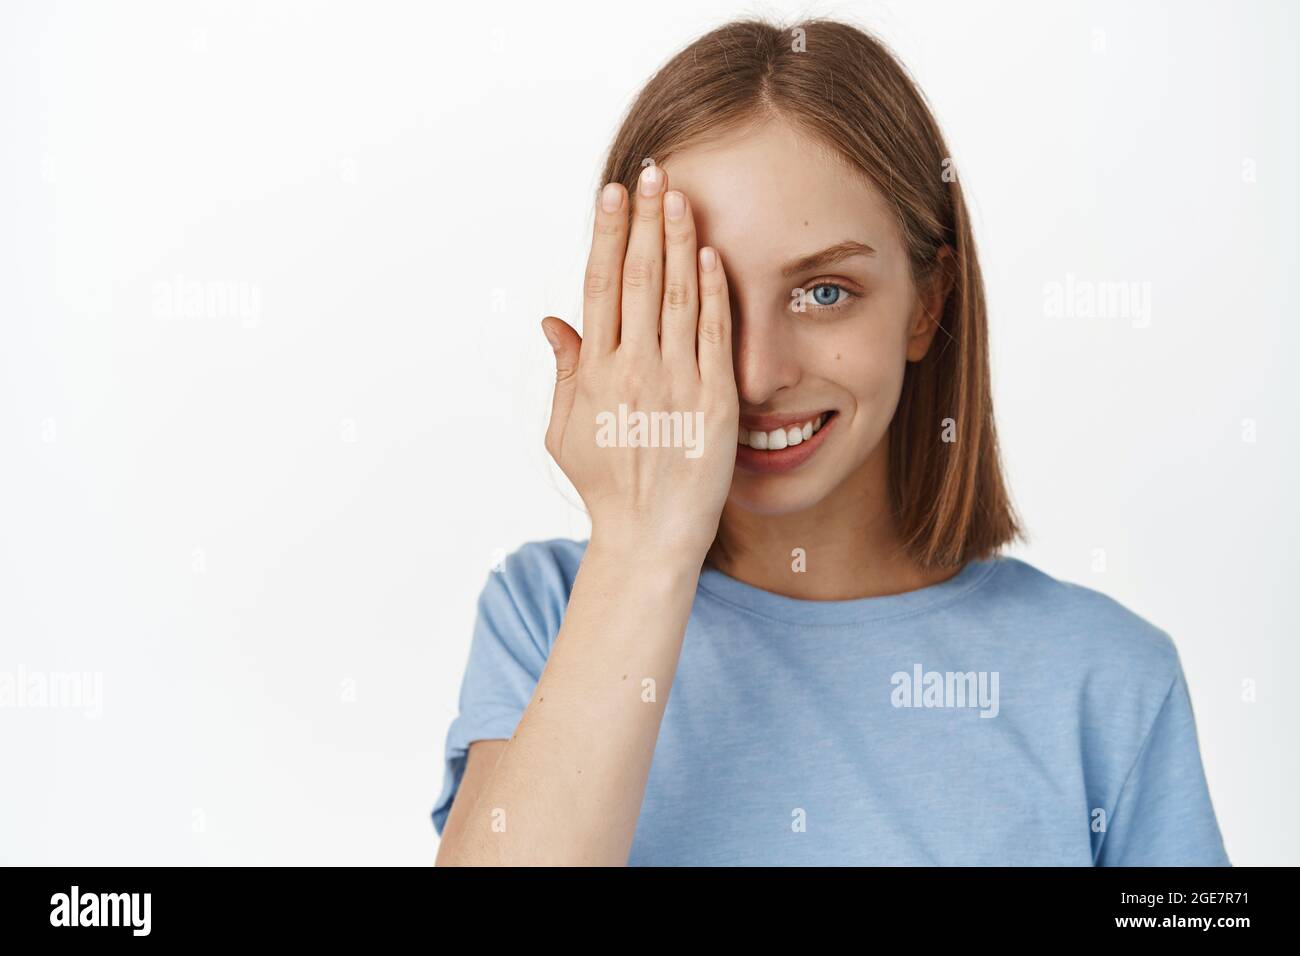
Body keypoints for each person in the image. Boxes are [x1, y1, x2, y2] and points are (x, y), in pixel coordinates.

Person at [432, 18, 1230, 866]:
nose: (755, 374)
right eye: (701, 300)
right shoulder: (549, 614)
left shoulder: (1109, 679)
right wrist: (638, 548)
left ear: (928, 303)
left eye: (823, 292)